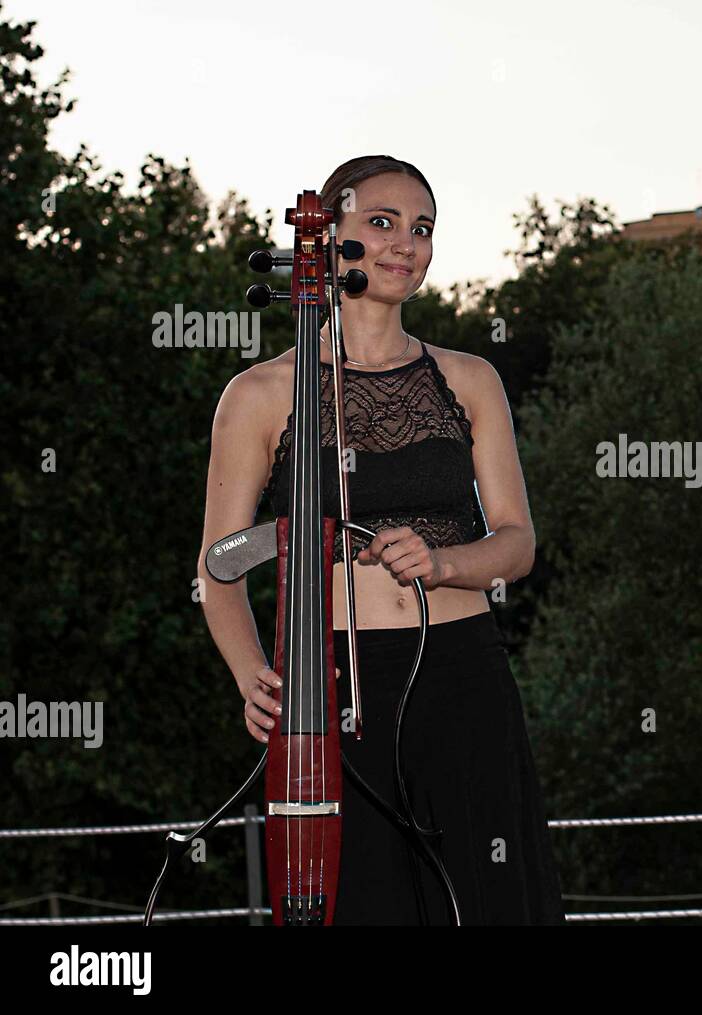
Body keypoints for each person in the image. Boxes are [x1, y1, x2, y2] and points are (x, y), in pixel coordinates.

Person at [196, 155, 565, 925]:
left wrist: (446, 562)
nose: (407, 243)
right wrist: (249, 674)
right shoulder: (261, 393)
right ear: (327, 239)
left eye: (422, 228)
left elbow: (518, 540)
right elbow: (218, 567)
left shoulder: (470, 379)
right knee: (364, 901)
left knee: (485, 896)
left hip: (464, 676)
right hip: (332, 687)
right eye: (383, 222)